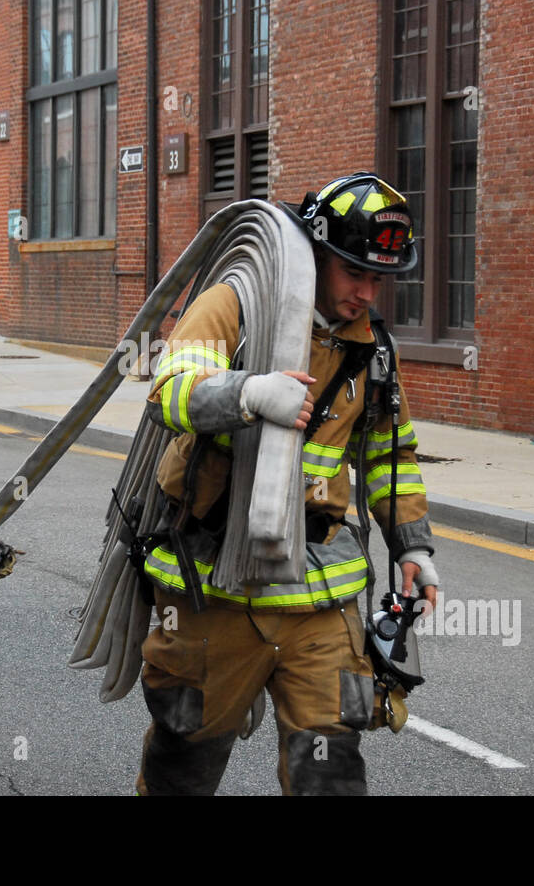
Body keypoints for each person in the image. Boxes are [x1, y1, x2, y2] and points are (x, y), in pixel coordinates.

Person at [135, 172, 439, 796]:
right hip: (212, 585)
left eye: (378, 279)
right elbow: (170, 392)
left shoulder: (373, 351)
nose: (366, 292)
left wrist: (412, 546)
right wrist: (246, 392)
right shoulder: (235, 303)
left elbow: (389, 455)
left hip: (318, 594)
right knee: (184, 760)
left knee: (329, 766)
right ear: (316, 253)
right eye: (354, 272)